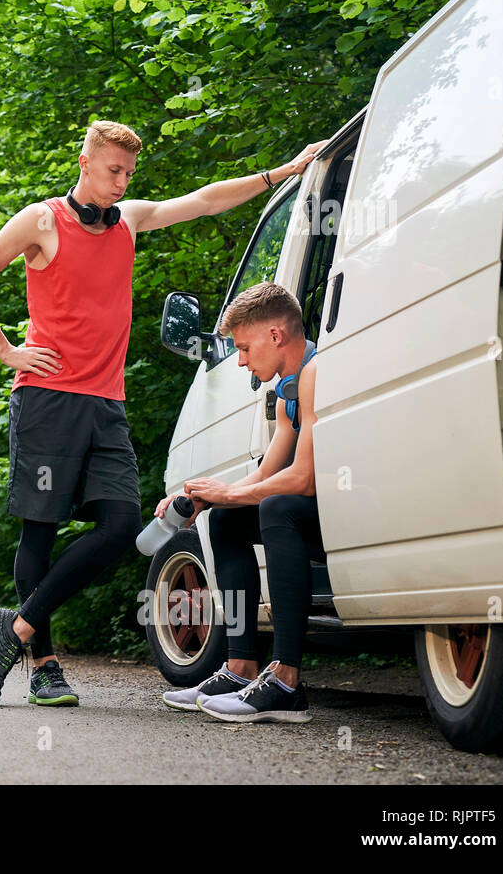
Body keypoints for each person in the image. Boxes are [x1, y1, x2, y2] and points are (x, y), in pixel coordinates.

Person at [0, 121, 327, 706]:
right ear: (84, 162)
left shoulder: (127, 221)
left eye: (128, 173)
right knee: (40, 532)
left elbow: (203, 202)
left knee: (123, 526)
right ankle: (44, 664)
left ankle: (15, 627)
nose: (122, 183)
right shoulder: (41, 221)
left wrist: (281, 173)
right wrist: (7, 350)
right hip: (47, 397)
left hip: (107, 403)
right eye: (112, 171)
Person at [159, 281, 322, 723]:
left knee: (276, 507)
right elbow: (267, 474)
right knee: (228, 520)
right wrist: (206, 497)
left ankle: (287, 681)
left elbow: (303, 479)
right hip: (323, 512)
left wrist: (230, 493)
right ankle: (240, 668)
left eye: (245, 348)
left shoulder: (317, 373)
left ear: (275, 336)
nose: (242, 361)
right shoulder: (289, 398)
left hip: (358, 508)